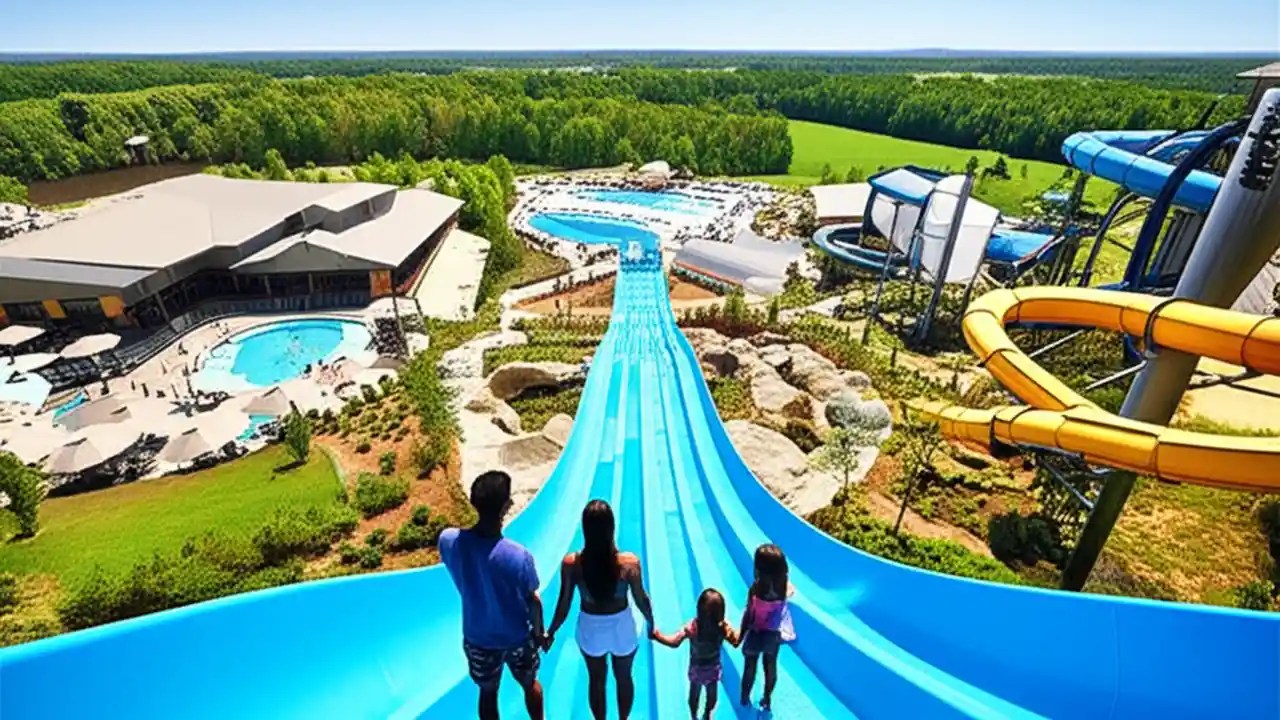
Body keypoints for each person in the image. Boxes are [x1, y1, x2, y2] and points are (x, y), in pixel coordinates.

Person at [439, 471, 545, 720]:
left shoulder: (449, 541)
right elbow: (534, 602)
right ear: (507, 506)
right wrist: (540, 635)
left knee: (487, 693)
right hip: (518, 638)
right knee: (530, 684)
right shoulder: (518, 557)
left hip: (478, 639)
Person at [546, 500, 655, 720]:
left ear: (585, 529)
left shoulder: (572, 564)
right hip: (622, 629)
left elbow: (564, 604)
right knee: (624, 677)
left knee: (596, 679)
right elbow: (641, 599)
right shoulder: (629, 564)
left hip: (591, 630)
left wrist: (551, 632)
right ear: (611, 528)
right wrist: (651, 623)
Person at [652, 588, 741, 720]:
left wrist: (658, 636)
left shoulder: (693, 627)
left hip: (696, 670)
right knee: (713, 698)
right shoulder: (722, 628)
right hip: (713, 669)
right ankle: (707, 714)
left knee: (694, 695)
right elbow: (736, 641)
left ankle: (694, 716)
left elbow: (675, 642)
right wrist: (747, 624)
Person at [739, 544, 795, 711]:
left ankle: (744, 696)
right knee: (770, 667)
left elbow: (749, 614)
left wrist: (741, 634)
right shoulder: (783, 588)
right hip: (773, 635)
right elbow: (790, 595)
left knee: (750, 665)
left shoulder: (755, 590)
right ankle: (767, 697)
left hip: (756, 633)